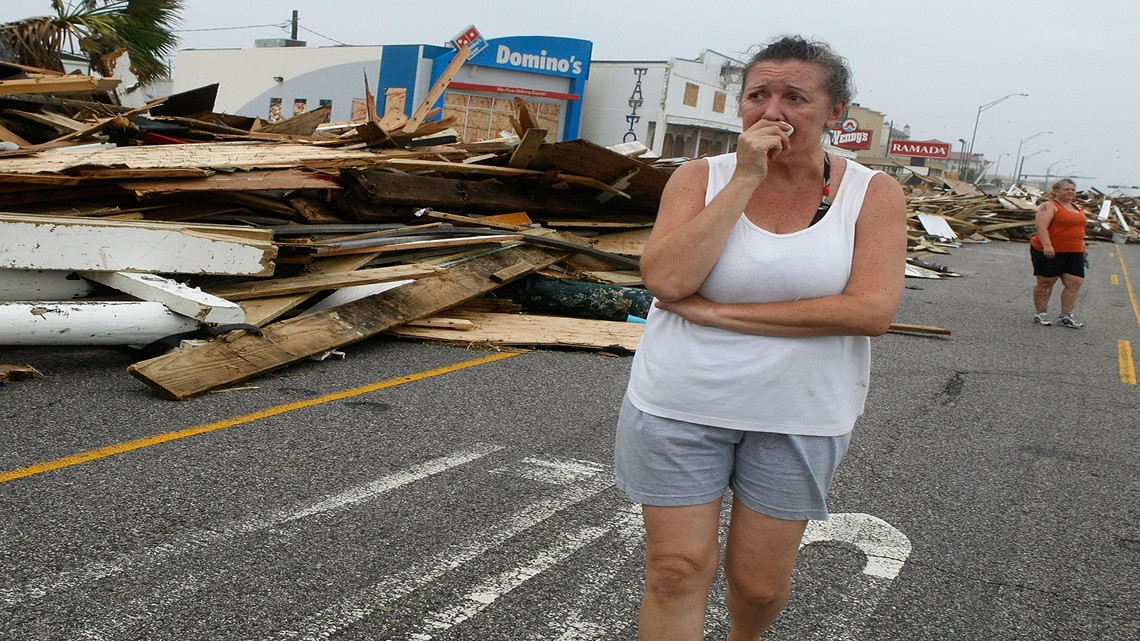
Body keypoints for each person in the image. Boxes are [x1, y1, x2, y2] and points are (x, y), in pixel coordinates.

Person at [614, 35, 907, 640]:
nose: (772, 111)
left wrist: (719, 315)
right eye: (758, 96)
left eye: (795, 97)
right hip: (680, 401)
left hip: (799, 412)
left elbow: (870, 310)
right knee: (674, 571)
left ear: (834, 112)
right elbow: (668, 280)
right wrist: (745, 178)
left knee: (759, 585)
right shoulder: (699, 178)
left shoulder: (872, 193)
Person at [1029, 178, 1088, 328]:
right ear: (1056, 190)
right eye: (1066, 189)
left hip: (1074, 252)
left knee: (1075, 282)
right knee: (1046, 282)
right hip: (1051, 251)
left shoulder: (1076, 207)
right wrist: (1047, 245)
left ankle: (1066, 315)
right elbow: (1041, 226)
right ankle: (1040, 314)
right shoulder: (1049, 206)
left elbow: (1079, 229)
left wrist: (1083, 246)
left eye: (1073, 189)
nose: (1070, 192)